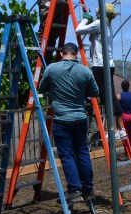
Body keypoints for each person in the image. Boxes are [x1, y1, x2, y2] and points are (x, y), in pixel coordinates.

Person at [38, 42, 100, 204]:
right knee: (82, 152)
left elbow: (42, 88)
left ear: (61, 54)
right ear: (77, 54)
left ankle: (74, 190)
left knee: (66, 155)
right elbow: (95, 92)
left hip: (61, 119)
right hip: (80, 118)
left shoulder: (52, 69)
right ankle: (87, 188)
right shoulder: (85, 71)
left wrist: (55, 88)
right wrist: (80, 91)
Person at [75, 4, 127, 143]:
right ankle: (121, 129)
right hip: (109, 65)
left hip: (100, 66)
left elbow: (79, 30)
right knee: (111, 96)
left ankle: (114, 130)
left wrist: (85, 20)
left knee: (105, 98)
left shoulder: (99, 23)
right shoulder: (107, 25)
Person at [119, 79, 131, 156]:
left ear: (122, 86)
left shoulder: (119, 95)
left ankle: (127, 151)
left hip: (124, 117)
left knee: (124, 135)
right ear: (129, 86)